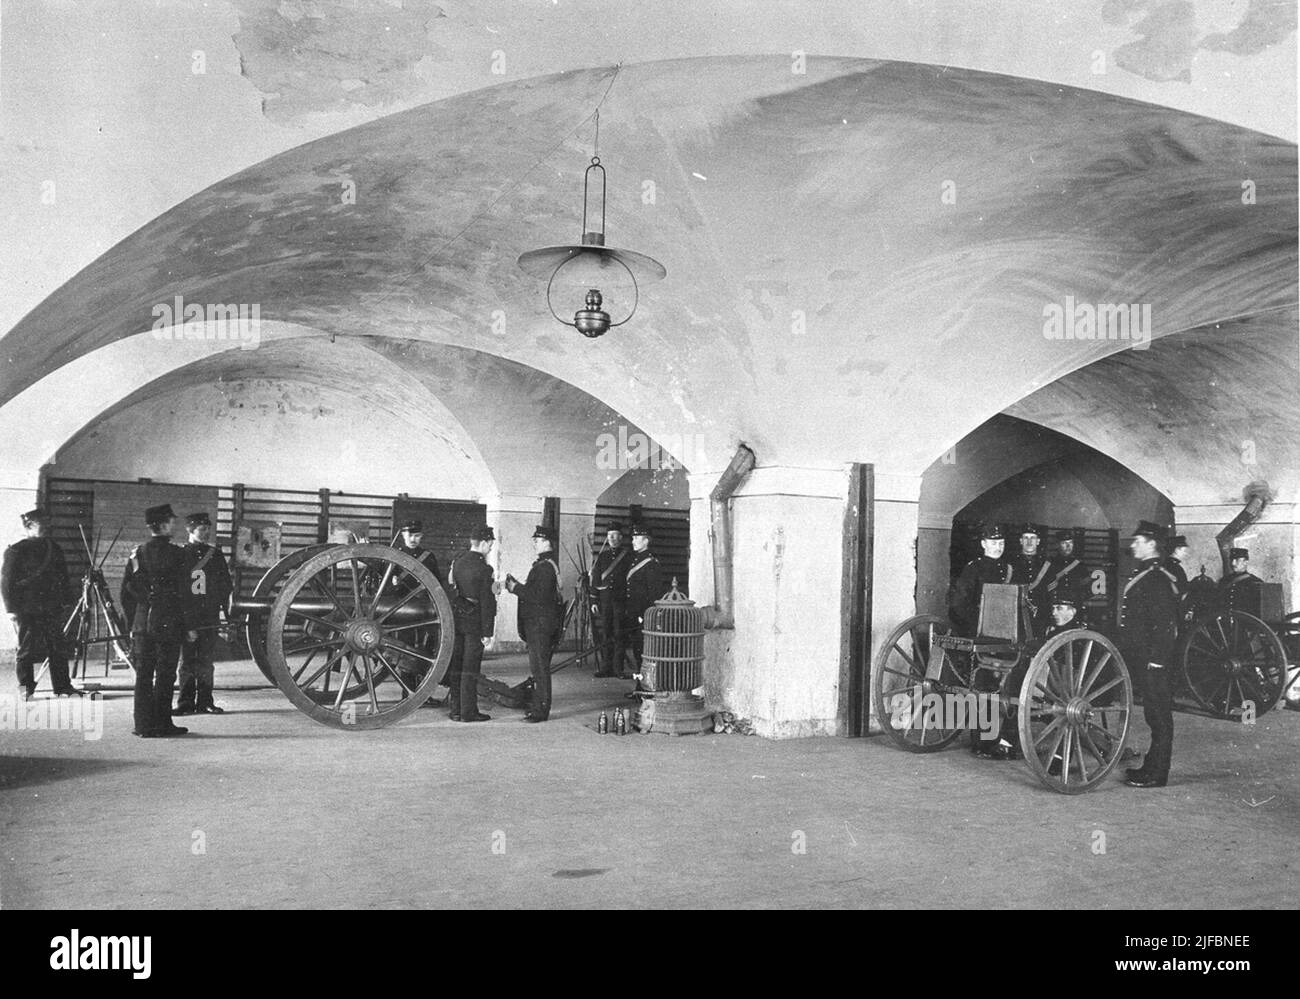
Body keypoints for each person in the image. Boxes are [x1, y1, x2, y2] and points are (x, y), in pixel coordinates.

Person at [121, 504, 198, 738]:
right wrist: (190, 625)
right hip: (169, 623)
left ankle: (143, 725)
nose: (173, 525)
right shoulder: (179, 554)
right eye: (171, 522)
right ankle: (163, 723)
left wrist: (132, 625)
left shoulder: (137, 554)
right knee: (165, 673)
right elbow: (186, 594)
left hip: (143, 624)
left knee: (143, 674)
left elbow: (127, 593)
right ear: (164, 524)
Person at [1120, 521, 1181, 788]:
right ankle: (1151, 767)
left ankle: (1157, 774)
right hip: (1145, 657)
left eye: (1138, 540)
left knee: (1158, 715)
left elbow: (1166, 625)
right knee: (1153, 714)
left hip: (1155, 660)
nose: (1133, 544)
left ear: (1151, 544)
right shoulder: (1147, 574)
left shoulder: (1156, 578)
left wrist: (1157, 659)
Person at [2, 508, 76, 700]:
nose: (47, 528)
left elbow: (63, 577)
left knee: (58, 648)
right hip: (27, 608)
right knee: (26, 650)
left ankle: (63, 687)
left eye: (47, 523)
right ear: (29, 526)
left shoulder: (55, 549)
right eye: (42, 524)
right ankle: (26, 688)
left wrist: (67, 601)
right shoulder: (16, 550)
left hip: (51, 607)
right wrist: (10, 609)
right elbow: (6, 582)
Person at [504, 525, 564, 723]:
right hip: (540, 623)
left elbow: (537, 596)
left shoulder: (545, 567)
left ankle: (541, 711)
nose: (534, 543)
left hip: (540, 625)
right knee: (539, 668)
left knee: (540, 669)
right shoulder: (545, 565)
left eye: (537, 540)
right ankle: (538, 705)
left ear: (548, 543)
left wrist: (515, 588)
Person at [176, 512, 232, 716]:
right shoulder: (180, 554)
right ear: (190, 530)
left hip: (209, 616)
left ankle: (205, 701)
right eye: (201, 529)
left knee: (206, 661)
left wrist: (224, 613)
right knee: (188, 661)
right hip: (188, 615)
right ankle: (185, 702)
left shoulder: (215, 555)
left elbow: (226, 585)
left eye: (208, 529)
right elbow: (178, 588)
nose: (206, 533)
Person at [388, 518, 448, 705]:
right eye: (409, 534)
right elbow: (384, 589)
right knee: (404, 652)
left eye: (416, 535)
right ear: (403, 535)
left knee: (424, 651)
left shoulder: (428, 557)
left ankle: (422, 694)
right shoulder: (394, 556)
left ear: (421, 536)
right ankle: (407, 694)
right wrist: (394, 583)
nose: (413, 538)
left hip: (423, 612)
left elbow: (437, 584)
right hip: (402, 613)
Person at [444, 525, 497, 723]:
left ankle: (456, 710)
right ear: (483, 542)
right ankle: (469, 712)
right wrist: (487, 631)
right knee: (470, 668)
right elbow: (487, 602)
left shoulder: (458, 562)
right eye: (490, 544)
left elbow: (451, 587)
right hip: (475, 623)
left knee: (457, 666)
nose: (491, 547)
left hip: (458, 620)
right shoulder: (485, 569)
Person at [947, 523, 1011, 636]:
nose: (998, 548)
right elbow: (959, 603)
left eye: (1001, 543)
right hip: (977, 627)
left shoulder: (1008, 569)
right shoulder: (973, 568)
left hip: (1004, 626)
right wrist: (974, 623)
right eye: (993, 543)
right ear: (983, 544)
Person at [622, 524, 664, 674]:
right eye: (633, 538)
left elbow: (654, 595)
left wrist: (645, 616)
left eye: (637, 538)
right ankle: (639, 687)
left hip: (643, 616)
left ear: (646, 541)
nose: (633, 541)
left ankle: (644, 689)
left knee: (644, 654)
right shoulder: (637, 560)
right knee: (637, 652)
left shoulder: (651, 564)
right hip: (634, 615)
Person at [590, 523, 629, 677]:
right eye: (609, 535)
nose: (612, 538)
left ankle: (618, 669)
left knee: (619, 634)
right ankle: (607, 668)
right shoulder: (603, 557)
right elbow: (596, 579)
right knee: (606, 634)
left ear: (621, 537)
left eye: (615, 535)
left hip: (621, 601)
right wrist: (594, 600)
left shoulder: (628, 556)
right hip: (605, 601)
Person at [1010, 524, 1050, 628]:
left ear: (1038, 541)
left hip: (1041, 614)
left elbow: (1050, 593)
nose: (1029, 542)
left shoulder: (1046, 564)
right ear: (1021, 541)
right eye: (1026, 538)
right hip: (1016, 613)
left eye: (1032, 538)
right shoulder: (1011, 563)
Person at [1045, 530, 1088, 624]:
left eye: (1070, 543)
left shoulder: (1079, 565)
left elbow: (1086, 585)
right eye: (1064, 543)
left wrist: (1079, 598)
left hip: (1074, 606)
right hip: (1056, 607)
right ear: (1057, 545)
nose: (1068, 546)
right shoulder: (1050, 564)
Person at [1218, 547, 1262, 613]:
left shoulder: (1256, 582)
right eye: (1231, 559)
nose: (1233, 563)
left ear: (1246, 562)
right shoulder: (1224, 581)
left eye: (1237, 560)